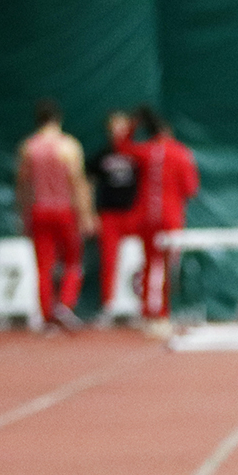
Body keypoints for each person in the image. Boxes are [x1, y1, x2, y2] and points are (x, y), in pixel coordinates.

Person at [16, 100, 97, 328]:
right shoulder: (69, 147)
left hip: (40, 211)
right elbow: (77, 183)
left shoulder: (28, 147)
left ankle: (46, 315)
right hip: (64, 211)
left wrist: (24, 214)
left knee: (43, 265)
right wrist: (86, 214)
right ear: (58, 119)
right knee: (73, 261)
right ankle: (65, 303)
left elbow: (23, 185)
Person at [132, 106, 199, 327]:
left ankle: (147, 311)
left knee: (149, 264)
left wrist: (131, 125)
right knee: (169, 265)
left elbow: (122, 148)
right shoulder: (181, 153)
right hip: (170, 216)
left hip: (146, 216)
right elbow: (190, 188)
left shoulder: (145, 151)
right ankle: (163, 312)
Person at [88, 110, 140, 314]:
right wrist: (90, 213)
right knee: (109, 260)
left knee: (139, 258)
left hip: (134, 213)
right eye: (114, 128)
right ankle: (109, 306)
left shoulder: (138, 153)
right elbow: (88, 182)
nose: (118, 132)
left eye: (122, 127)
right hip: (109, 215)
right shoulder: (103, 155)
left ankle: (140, 304)